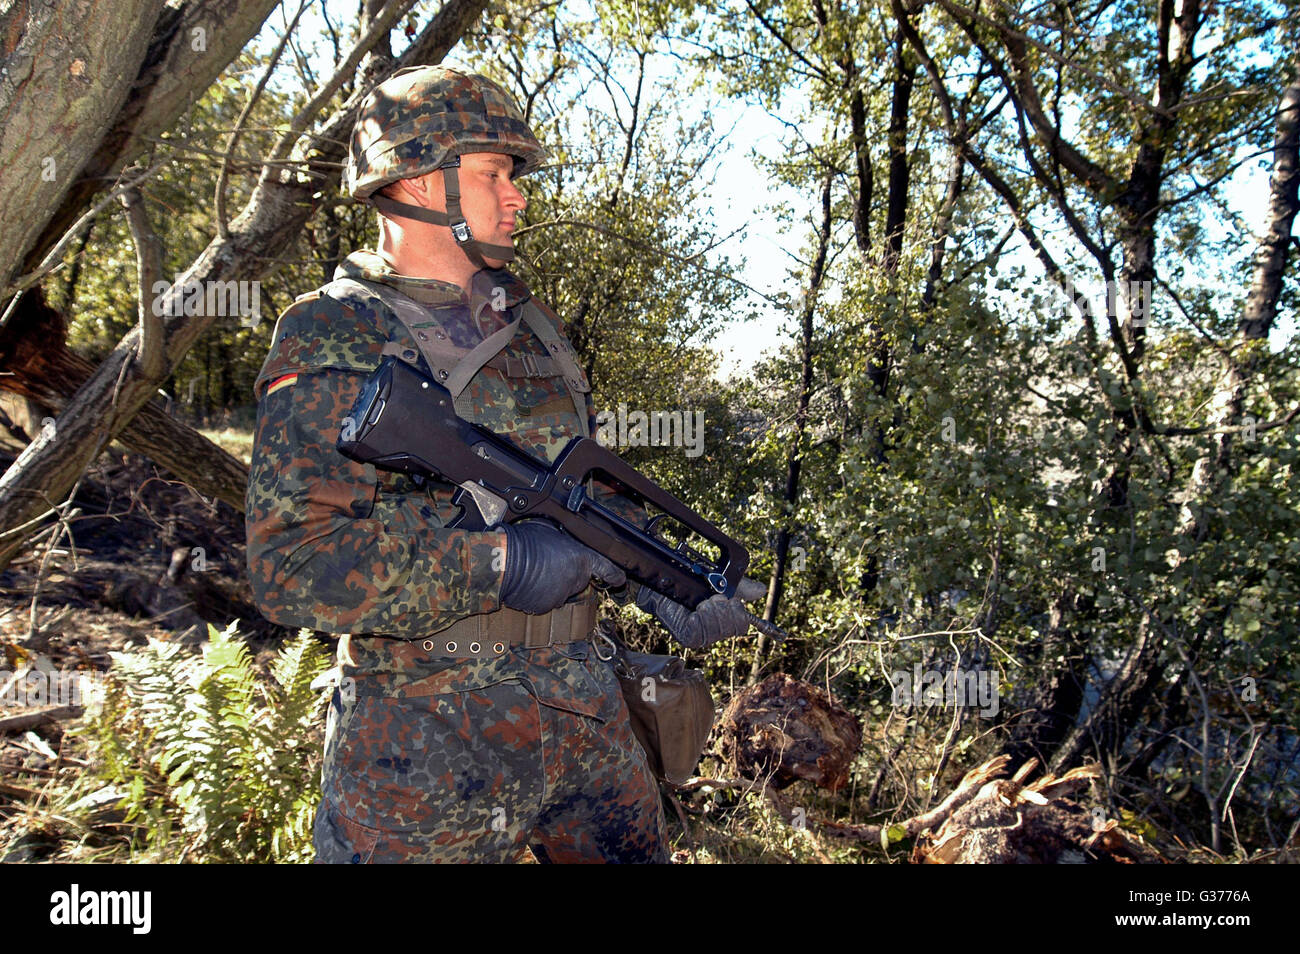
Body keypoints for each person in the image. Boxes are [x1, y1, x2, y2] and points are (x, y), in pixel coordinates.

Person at [245, 65, 761, 864]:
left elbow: (580, 501)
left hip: (584, 715)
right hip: (422, 742)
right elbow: (293, 567)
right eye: (494, 172)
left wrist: (665, 581)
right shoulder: (335, 331)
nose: (517, 194)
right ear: (419, 182)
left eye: (514, 175)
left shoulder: (534, 331)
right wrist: (502, 564)